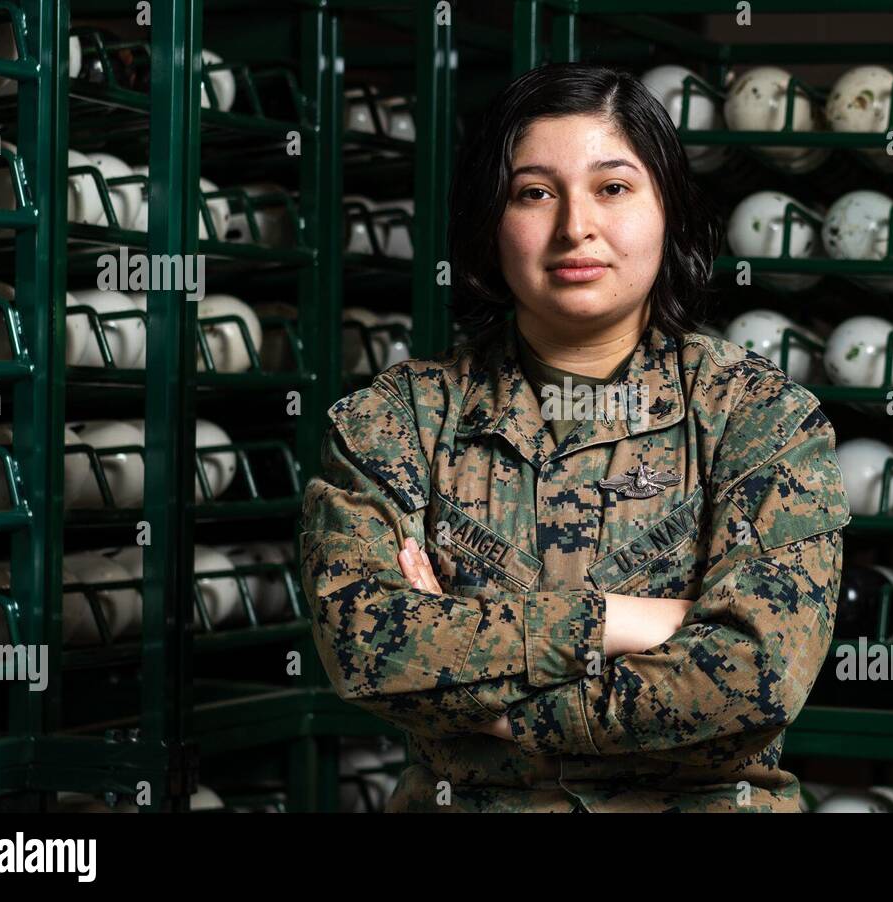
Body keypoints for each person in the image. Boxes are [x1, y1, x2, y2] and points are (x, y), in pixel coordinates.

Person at [300, 62, 849, 813]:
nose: (574, 227)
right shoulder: (399, 419)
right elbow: (367, 648)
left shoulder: (757, 418)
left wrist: (499, 708)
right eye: (534, 193)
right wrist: (622, 621)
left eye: (613, 187)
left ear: (669, 212)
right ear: (490, 220)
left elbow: (751, 679)